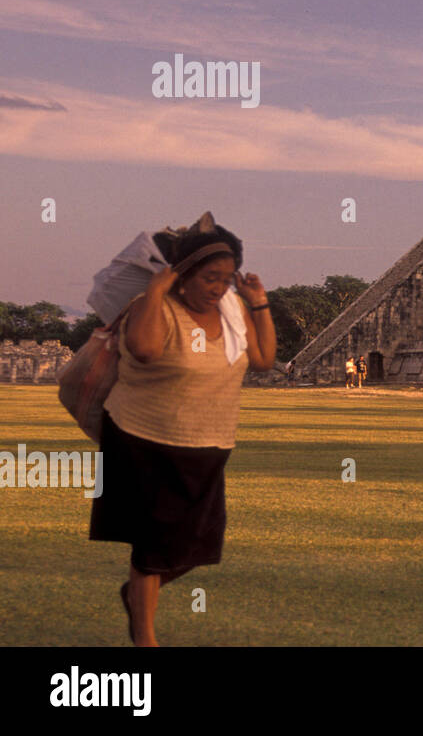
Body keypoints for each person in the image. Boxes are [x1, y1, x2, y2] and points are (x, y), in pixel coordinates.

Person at [89, 223, 276, 646]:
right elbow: (145, 349)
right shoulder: (152, 306)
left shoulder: (232, 310)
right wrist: (156, 291)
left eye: (225, 279)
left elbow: (264, 358)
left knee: (199, 544)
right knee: (153, 545)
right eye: (209, 278)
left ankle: (137, 595)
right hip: (143, 441)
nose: (218, 288)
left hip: (208, 443)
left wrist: (258, 303)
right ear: (183, 273)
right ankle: (145, 638)